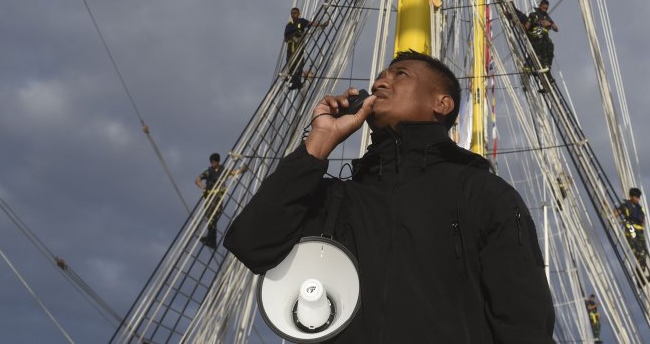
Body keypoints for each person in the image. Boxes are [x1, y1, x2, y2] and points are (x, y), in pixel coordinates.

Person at [226, 51, 555, 343]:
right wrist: (318, 143)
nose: (382, 81)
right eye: (382, 75)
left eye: (401, 75)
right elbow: (253, 245)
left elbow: (523, 324)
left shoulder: (483, 193)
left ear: (442, 104)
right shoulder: (335, 200)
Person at [283, 7, 327, 90]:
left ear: (299, 14)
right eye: (292, 13)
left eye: (295, 13)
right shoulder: (288, 26)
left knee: (300, 62)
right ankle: (294, 80)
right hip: (291, 46)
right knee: (291, 63)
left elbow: (311, 24)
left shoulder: (301, 21)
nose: (293, 15)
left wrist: (321, 25)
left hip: (299, 45)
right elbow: (285, 38)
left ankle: (297, 81)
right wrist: (293, 36)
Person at [195, 153, 226, 248]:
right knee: (210, 216)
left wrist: (242, 170)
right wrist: (203, 188)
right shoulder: (208, 172)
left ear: (217, 161)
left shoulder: (223, 170)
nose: (212, 164)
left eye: (213, 162)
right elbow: (197, 180)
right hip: (210, 196)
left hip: (218, 197)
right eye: (211, 162)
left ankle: (211, 239)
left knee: (214, 217)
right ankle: (211, 240)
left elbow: (232, 172)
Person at [524, 0, 559, 81]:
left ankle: (547, 67)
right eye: (544, 8)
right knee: (541, 38)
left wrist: (549, 23)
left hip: (545, 35)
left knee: (550, 46)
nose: (545, 10)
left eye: (546, 9)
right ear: (540, 6)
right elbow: (527, 26)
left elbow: (556, 29)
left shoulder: (547, 17)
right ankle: (530, 64)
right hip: (536, 32)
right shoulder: (533, 15)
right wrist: (539, 23)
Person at [615, 187, 648, 269]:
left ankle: (640, 274)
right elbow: (615, 214)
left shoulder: (640, 209)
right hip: (631, 229)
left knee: (644, 252)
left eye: (638, 197)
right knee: (637, 251)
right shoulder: (625, 206)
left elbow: (643, 222)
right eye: (636, 197)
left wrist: (642, 222)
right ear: (631, 196)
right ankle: (639, 274)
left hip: (640, 231)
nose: (638, 199)